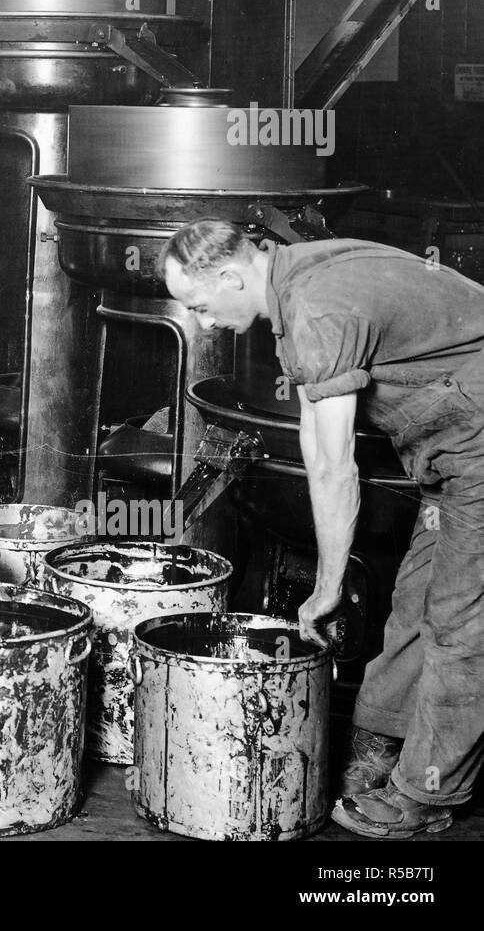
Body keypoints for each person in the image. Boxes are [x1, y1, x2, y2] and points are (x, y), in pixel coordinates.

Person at [161, 219, 484, 839]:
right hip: (450, 452)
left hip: (476, 452)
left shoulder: (317, 308)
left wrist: (329, 582)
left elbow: (338, 465)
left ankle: (426, 795)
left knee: (461, 624)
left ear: (231, 277)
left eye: (201, 306)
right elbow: (315, 436)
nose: (202, 323)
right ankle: (381, 749)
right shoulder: (297, 278)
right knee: (414, 605)